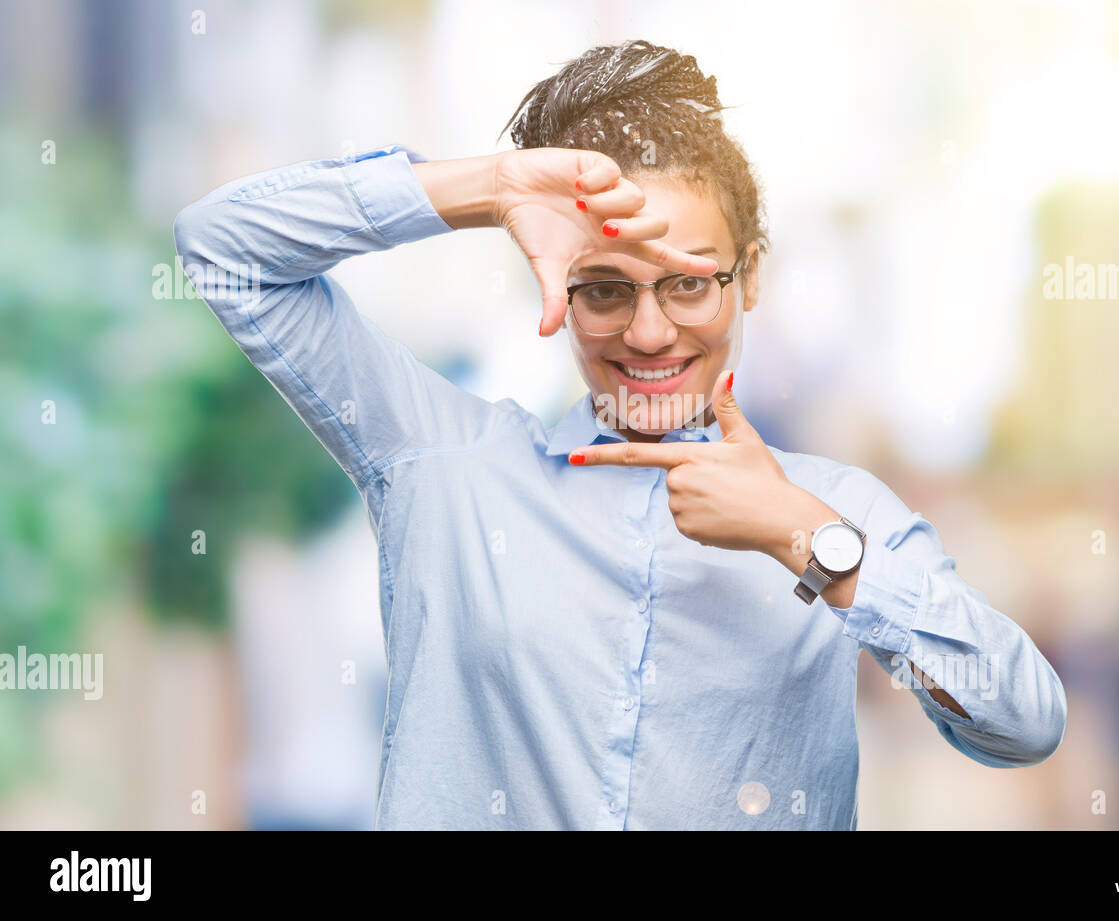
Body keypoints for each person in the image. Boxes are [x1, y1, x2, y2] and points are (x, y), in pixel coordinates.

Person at [173, 39, 1066, 830]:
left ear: (748, 277)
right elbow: (223, 251)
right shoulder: (442, 465)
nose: (647, 332)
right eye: (604, 289)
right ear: (556, 286)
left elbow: (1022, 724)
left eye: (686, 284)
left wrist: (803, 538)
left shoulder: (839, 512)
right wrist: (487, 187)